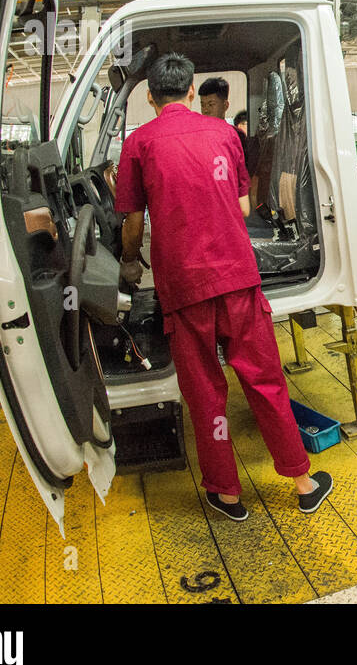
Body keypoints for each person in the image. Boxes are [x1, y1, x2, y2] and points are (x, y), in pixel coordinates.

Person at [114, 53, 331, 521]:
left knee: (206, 394)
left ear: (150, 97)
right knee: (264, 380)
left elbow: (131, 218)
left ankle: (227, 495)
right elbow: (244, 202)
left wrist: (130, 264)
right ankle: (302, 481)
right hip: (236, 278)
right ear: (192, 91)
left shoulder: (138, 144)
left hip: (183, 288)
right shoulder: (225, 134)